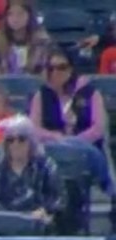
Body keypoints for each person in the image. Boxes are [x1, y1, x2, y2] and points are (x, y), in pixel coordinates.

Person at [28, 51, 115, 196]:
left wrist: (76, 141)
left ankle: (109, 192)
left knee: (90, 152)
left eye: (61, 67)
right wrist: (54, 137)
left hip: (85, 146)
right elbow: (33, 127)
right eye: (51, 68)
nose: (56, 72)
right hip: (53, 146)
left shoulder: (90, 93)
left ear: (71, 69)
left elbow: (98, 127)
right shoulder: (41, 95)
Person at [0, 115, 62, 228]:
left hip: (36, 224)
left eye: (21, 139)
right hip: (3, 225)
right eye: (10, 140)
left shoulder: (46, 167)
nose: (16, 144)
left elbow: (56, 200)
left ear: (31, 142)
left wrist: (44, 211)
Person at [0, 0, 53, 77]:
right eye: (10, 14)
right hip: (4, 86)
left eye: (20, 14)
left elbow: (43, 76)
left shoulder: (42, 41)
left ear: (30, 16)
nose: (15, 19)